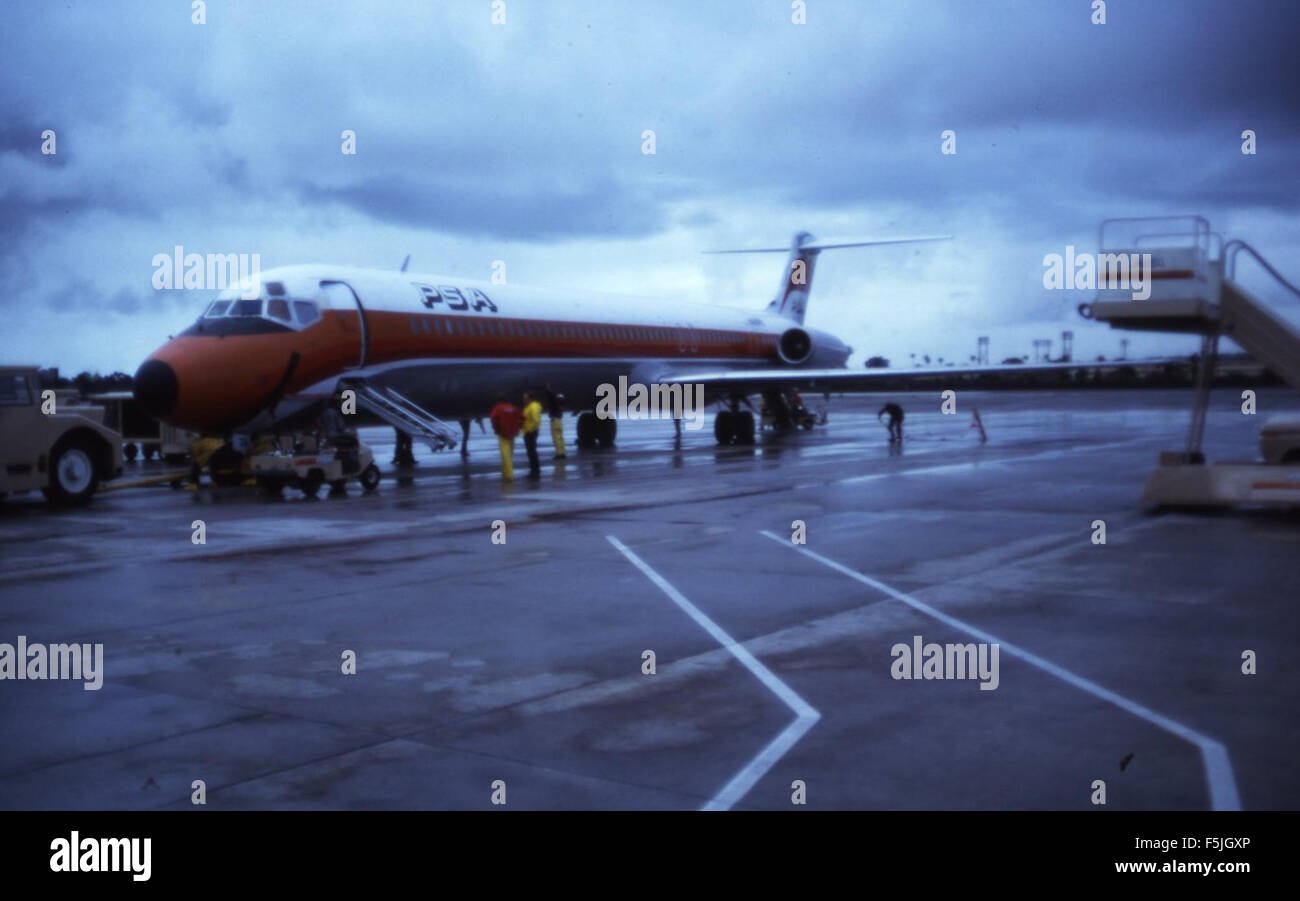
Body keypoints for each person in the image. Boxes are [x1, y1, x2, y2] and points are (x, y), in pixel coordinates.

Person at [488, 395, 522, 481]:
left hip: (503, 434)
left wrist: (496, 429)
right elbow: (522, 418)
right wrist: (518, 428)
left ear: (498, 401)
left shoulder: (497, 408)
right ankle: (505, 474)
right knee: (509, 455)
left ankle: (509, 475)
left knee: (505, 455)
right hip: (512, 434)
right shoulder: (513, 408)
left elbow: (493, 419)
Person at [521, 391, 543, 478]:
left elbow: (536, 421)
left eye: (525, 398)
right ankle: (534, 469)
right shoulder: (528, 407)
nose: (523, 400)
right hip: (527, 432)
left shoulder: (533, 407)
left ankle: (535, 471)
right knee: (531, 452)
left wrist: (531, 430)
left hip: (531, 432)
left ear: (530, 399)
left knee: (532, 452)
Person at [546, 390, 567, 459]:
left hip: (554, 421)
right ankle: (563, 452)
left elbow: (551, 397)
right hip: (559, 421)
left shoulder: (554, 403)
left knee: (556, 438)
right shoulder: (560, 404)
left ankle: (559, 453)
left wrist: (548, 390)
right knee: (560, 437)